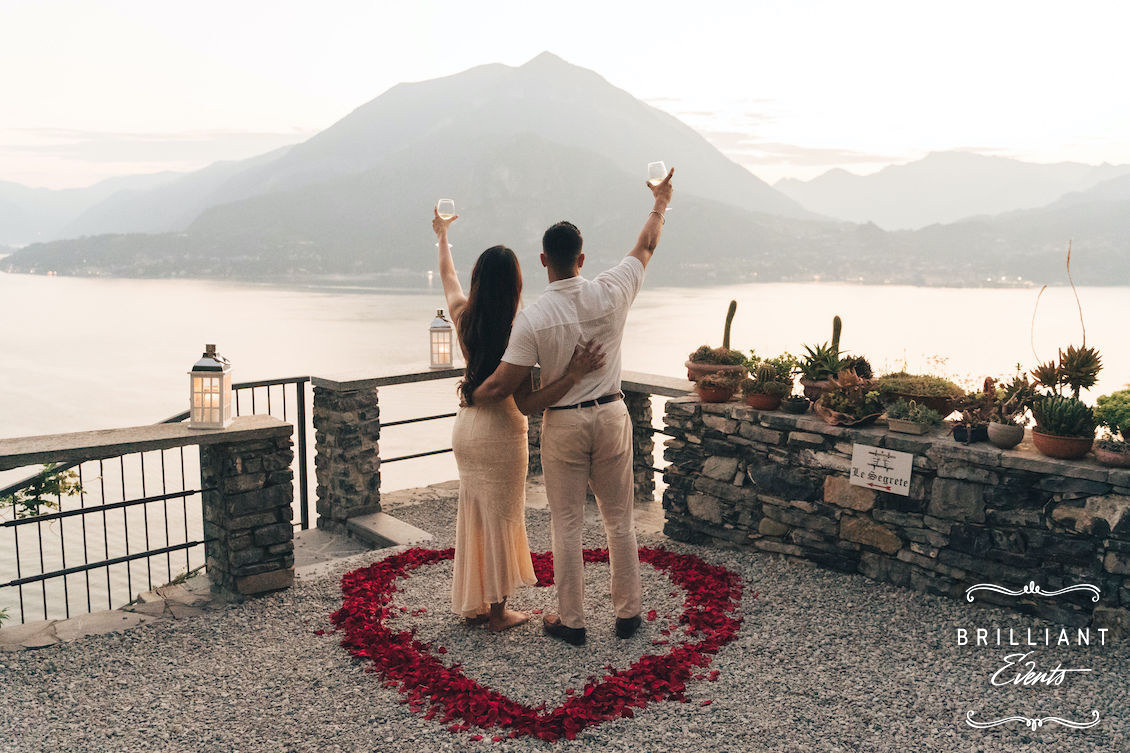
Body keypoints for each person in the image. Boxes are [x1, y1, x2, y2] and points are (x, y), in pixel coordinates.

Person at [470, 168, 674, 645]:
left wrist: (472, 394)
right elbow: (646, 246)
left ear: (544, 260)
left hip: (562, 423)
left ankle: (572, 621)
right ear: (580, 258)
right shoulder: (611, 290)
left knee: (566, 525)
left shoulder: (533, 319)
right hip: (612, 414)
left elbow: (512, 394)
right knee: (619, 518)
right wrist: (661, 203)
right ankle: (628, 615)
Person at [432, 209, 606, 632]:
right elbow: (531, 399)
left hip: (466, 429)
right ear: (515, 285)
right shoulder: (518, 330)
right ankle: (497, 612)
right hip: (501, 431)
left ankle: (475, 602)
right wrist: (575, 375)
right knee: (503, 517)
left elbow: (449, 281)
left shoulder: (463, 317)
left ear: (478, 282)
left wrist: (442, 237)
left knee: (474, 514)